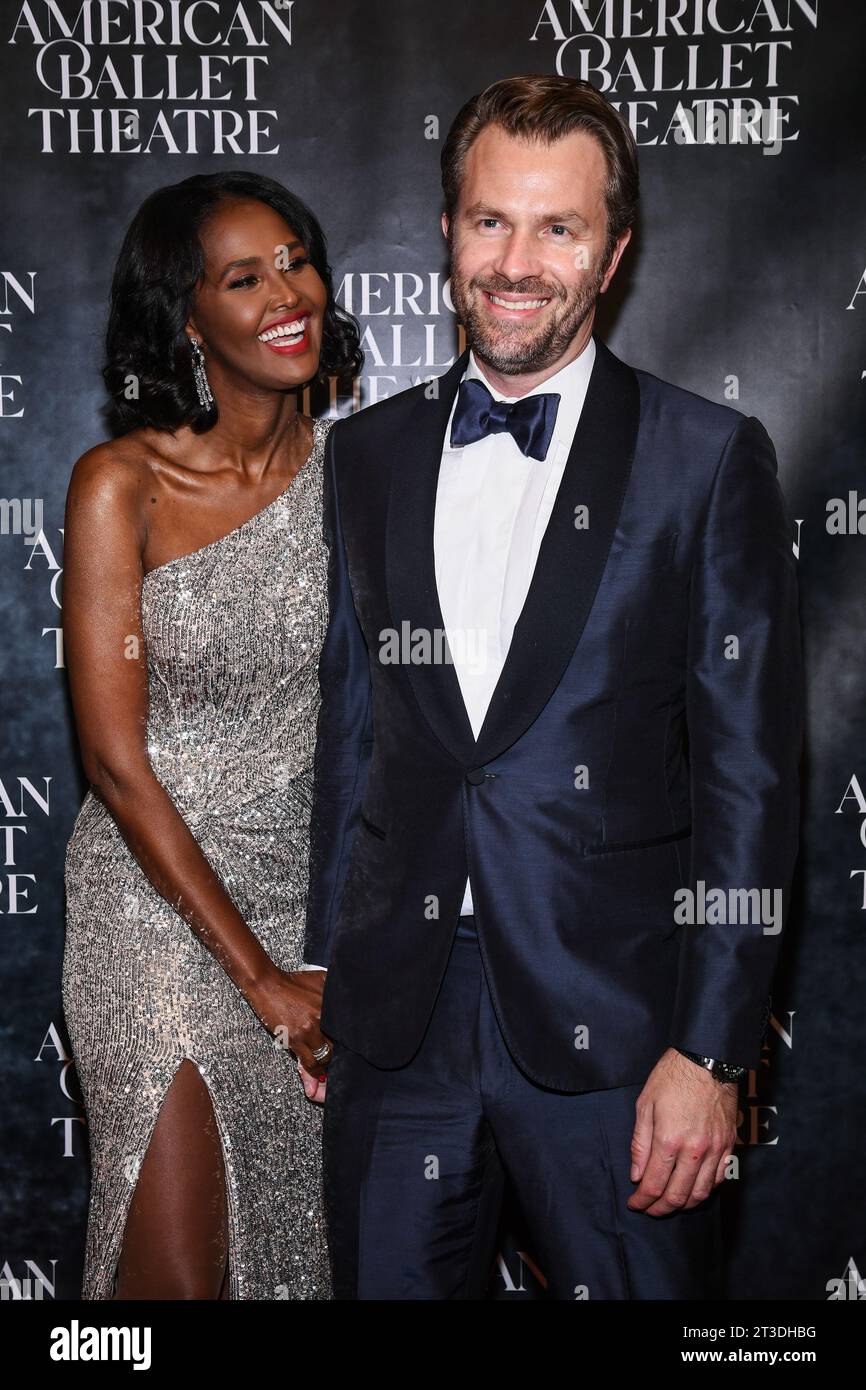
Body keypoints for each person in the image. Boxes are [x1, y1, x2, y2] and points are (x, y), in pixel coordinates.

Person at [303, 76, 804, 1299]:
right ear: (445, 232)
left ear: (613, 251)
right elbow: (356, 726)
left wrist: (710, 1049)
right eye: (489, 222)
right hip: (399, 1027)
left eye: (557, 228)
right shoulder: (367, 453)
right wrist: (329, 971)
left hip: (621, 1039)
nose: (516, 263)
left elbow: (749, 778)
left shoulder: (704, 458)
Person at [62, 170, 361, 1299]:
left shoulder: (364, 478)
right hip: (157, 909)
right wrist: (260, 982)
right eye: (245, 277)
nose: (288, 293)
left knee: (294, 1266)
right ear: (186, 319)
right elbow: (113, 763)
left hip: (310, 906)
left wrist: (318, 962)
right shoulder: (121, 485)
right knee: (175, 1279)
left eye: (295, 259)